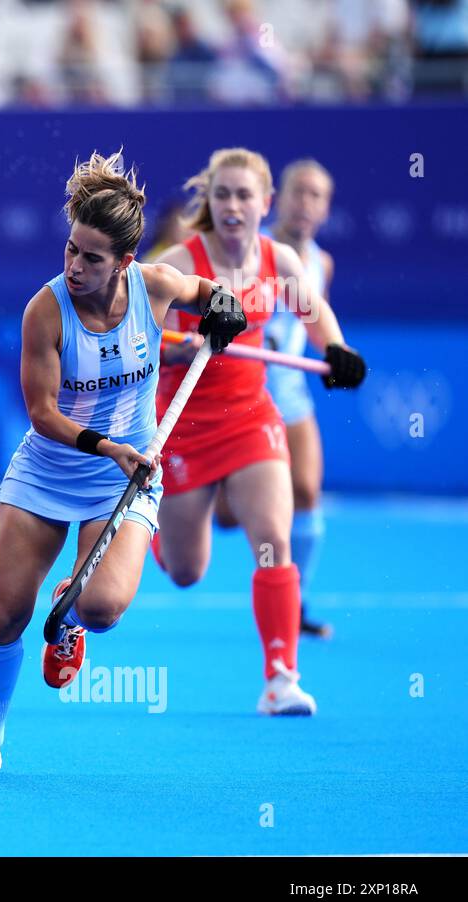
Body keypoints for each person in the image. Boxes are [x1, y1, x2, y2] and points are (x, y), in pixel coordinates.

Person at [0, 150, 245, 775]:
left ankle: (71, 619)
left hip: (124, 484)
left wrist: (224, 306)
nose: (75, 266)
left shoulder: (153, 286)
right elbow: (43, 414)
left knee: (102, 609)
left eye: (92, 257)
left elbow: (204, 291)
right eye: (71, 250)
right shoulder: (44, 311)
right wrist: (110, 447)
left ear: (125, 262)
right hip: (51, 471)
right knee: (4, 615)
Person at [152, 148, 366, 717]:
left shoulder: (279, 261)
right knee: (185, 572)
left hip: (251, 418)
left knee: (275, 539)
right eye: (222, 195)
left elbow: (314, 315)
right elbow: (147, 343)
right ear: (210, 203)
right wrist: (187, 348)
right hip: (185, 427)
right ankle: (156, 540)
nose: (232, 206)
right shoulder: (180, 260)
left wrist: (337, 351)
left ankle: (280, 678)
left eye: (244, 195)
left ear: (264, 203)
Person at [214, 158, 338, 637]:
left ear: (325, 208)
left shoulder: (321, 263)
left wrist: (333, 355)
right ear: (277, 200)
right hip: (242, 391)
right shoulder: (248, 251)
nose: (306, 204)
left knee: (307, 492)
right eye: (298, 192)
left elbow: (311, 322)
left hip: (289, 393)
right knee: (227, 517)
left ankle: (295, 602)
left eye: (317, 195)